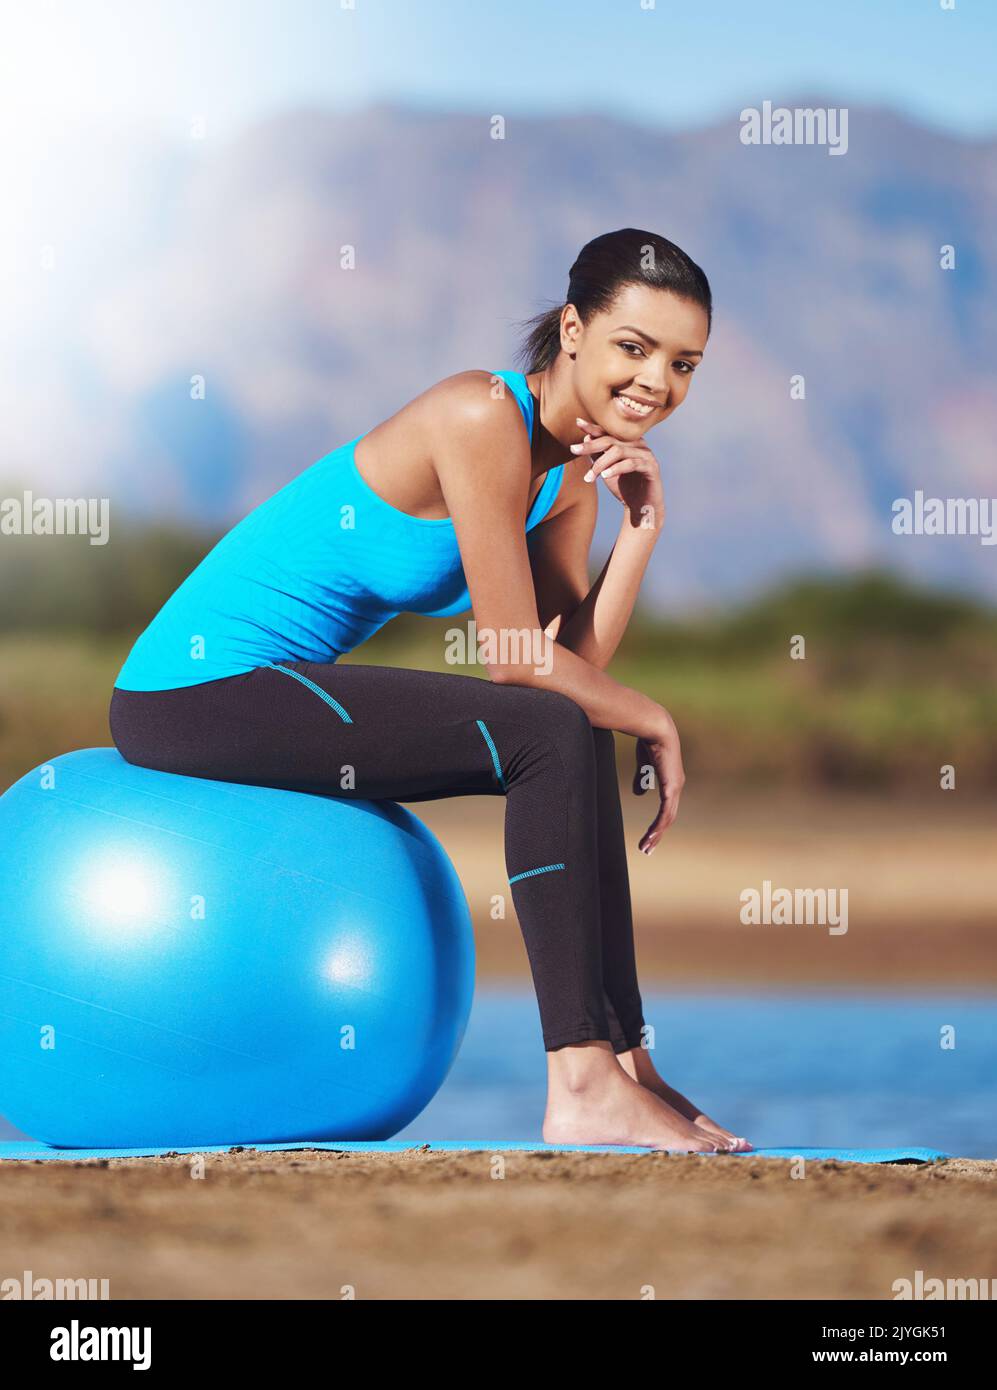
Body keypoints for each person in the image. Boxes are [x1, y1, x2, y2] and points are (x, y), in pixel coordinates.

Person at [109, 227, 751, 1153]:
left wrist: (639, 534)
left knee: (560, 730)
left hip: (278, 688)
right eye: (633, 347)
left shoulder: (569, 474)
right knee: (547, 733)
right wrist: (656, 719)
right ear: (571, 331)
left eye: (683, 363)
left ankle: (626, 1062)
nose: (657, 381)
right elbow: (512, 660)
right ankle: (581, 1079)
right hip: (194, 689)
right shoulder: (479, 414)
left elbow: (572, 671)